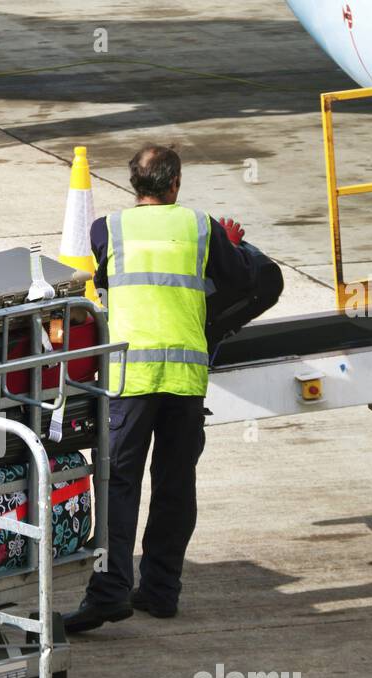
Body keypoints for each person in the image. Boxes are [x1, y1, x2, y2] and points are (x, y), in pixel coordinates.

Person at [63, 145, 283, 633]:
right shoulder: (201, 227)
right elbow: (248, 279)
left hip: (130, 379)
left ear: (133, 185)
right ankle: (161, 591)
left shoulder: (108, 229)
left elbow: (98, 280)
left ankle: (111, 591)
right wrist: (231, 245)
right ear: (176, 183)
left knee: (119, 485)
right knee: (175, 485)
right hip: (185, 379)